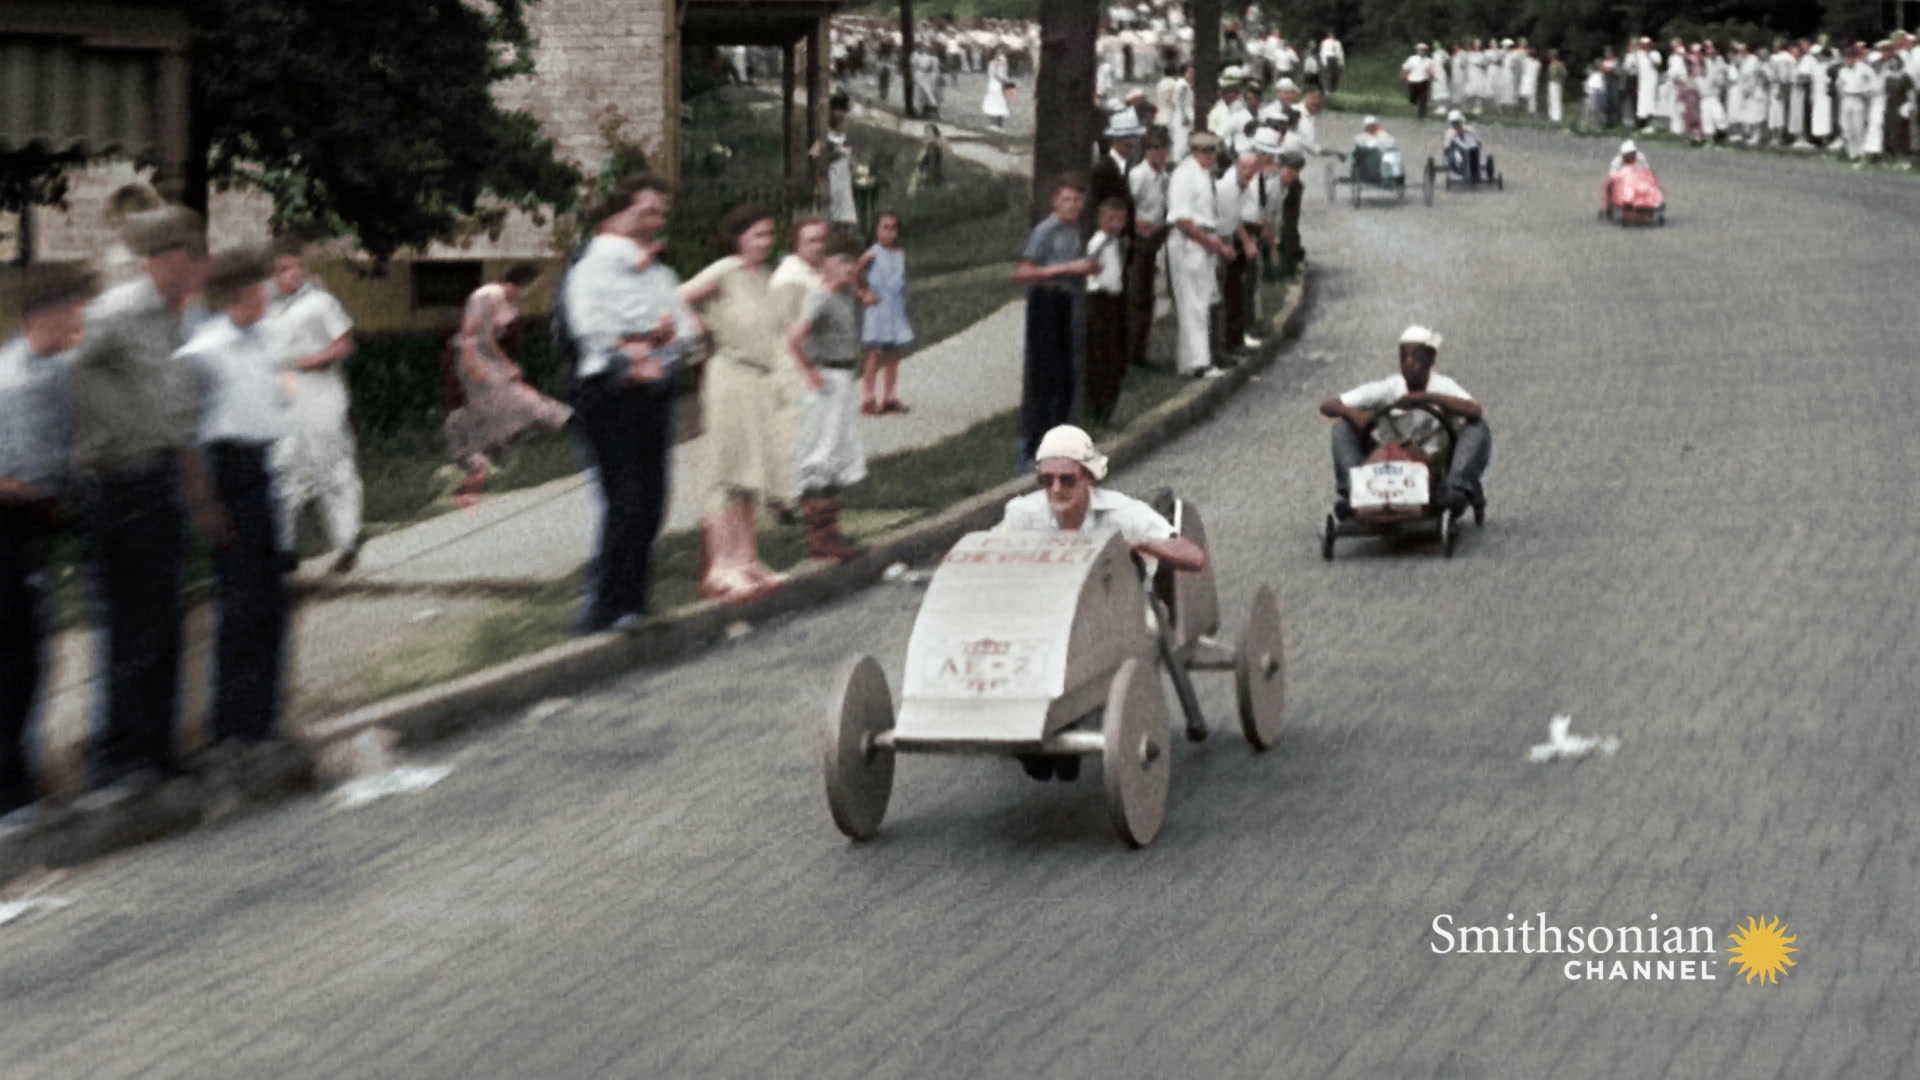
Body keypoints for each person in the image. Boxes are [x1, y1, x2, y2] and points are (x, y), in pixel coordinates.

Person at [68, 205, 224, 799]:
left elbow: (172, 413)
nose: (200, 268)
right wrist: (90, 449)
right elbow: (63, 369)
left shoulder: (170, 318)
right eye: (192, 257)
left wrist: (197, 493)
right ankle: (117, 760)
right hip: (117, 485)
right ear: (167, 259)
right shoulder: (115, 313)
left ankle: (159, 751)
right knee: (129, 626)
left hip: (159, 481)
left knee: (164, 623)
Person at [993, 424, 1207, 782]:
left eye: (1067, 480)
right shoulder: (1023, 514)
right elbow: (990, 555)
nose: (1057, 490)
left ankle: (1084, 725)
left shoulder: (1124, 513)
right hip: (1055, 610)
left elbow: (1193, 557)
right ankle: (1044, 731)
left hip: (1125, 609)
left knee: (1138, 636)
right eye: (1047, 481)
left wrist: (1143, 545)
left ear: (1088, 477)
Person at [565, 175, 695, 633]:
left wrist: (661, 344)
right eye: (646, 212)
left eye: (659, 212)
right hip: (610, 393)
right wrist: (635, 351)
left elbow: (683, 326)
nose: (655, 221)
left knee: (654, 498)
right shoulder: (592, 270)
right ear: (615, 215)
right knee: (625, 500)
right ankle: (602, 613)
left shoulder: (659, 273)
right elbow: (591, 330)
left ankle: (633, 604)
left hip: (654, 392)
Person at [180, 248, 292, 755]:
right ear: (238, 297)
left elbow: (276, 395)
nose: (267, 297)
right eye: (260, 291)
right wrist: (205, 504)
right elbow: (186, 437)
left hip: (263, 470)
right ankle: (233, 724)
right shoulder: (204, 351)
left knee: (271, 598)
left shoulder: (268, 338)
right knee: (240, 602)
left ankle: (265, 716)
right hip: (226, 473)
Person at [0, 266, 91, 827]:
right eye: (72, 319)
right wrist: (41, 498)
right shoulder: (10, 381)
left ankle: (24, 782)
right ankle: (9, 797)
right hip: (9, 530)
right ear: (45, 320)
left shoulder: (55, 373)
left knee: (34, 660)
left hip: (37, 527)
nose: (79, 327)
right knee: (11, 665)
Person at [680, 205, 804, 602]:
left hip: (758, 379)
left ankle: (747, 560)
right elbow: (676, 298)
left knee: (751, 470)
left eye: (769, 235)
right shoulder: (725, 270)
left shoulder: (765, 277)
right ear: (738, 237)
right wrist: (703, 327)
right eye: (756, 235)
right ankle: (721, 566)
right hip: (729, 376)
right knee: (727, 469)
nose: (764, 243)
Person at [1319, 325, 1490, 518]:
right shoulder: (1388, 388)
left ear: (1430, 359)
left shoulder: (1443, 386)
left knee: (1477, 427)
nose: (1409, 363)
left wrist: (1425, 398)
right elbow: (1328, 405)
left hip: (1431, 464)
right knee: (1341, 429)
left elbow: (1474, 410)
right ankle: (1356, 493)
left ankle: (1455, 488)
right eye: (1404, 358)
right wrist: (1353, 414)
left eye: (1416, 358)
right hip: (1388, 462)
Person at [267, 239, 363, 573]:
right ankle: (284, 547)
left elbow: (344, 346)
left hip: (319, 388)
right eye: (280, 270)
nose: (288, 275)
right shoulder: (268, 306)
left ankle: (347, 538)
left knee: (331, 461)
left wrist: (311, 361)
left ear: (302, 268)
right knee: (283, 464)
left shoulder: (320, 302)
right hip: (284, 390)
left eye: (293, 267)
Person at [444, 264, 572, 508]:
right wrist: (474, 363)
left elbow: (490, 339)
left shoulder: (502, 302)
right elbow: (471, 333)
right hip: (473, 362)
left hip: (486, 363)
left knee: (509, 403)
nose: (524, 296)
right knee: (508, 404)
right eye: (525, 290)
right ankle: (568, 419)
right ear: (514, 285)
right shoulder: (487, 296)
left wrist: (507, 366)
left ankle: (475, 472)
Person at [783, 232, 869, 562]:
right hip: (826, 377)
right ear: (828, 265)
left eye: (853, 264)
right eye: (843, 263)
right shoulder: (819, 297)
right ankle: (818, 537)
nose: (849, 270)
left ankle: (832, 531)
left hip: (845, 376)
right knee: (820, 451)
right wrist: (810, 374)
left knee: (838, 452)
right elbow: (794, 340)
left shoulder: (846, 295)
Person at [1013, 174, 1101, 469]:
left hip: (1065, 302)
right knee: (1044, 374)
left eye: (1077, 201)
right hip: (1045, 302)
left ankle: (1062, 441)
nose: (1073, 206)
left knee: (1064, 376)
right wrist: (1066, 268)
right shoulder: (1046, 231)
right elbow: (1023, 272)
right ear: (1055, 202)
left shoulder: (1073, 231)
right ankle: (1033, 444)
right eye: (1067, 200)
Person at [1166, 132, 1233, 378]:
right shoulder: (1186, 175)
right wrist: (1213, 245)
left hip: (1203, 240)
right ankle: (1199, 363)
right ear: (1201, 151)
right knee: (1194, 302)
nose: (1214, 157)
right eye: (1211, 152)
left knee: (1202, 300)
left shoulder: (1203, 174)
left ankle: (1189, 360)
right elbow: (1183, 220)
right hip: (1189, 242)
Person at [857, 211, 914, 414]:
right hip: (878, 309)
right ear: (876, 230)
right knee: (874, 355)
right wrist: (864, 292)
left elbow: (901, 280)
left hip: (895, 309)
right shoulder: (872, 253)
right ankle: (868, 398)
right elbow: (855, 272)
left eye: (893, 228)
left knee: (893, 355)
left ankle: (890, 397)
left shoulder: (899, 254)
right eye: (884, 228)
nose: (889, 233)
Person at [1125, 127, 1172, 370]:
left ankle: (1141, 349)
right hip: (1140, 240)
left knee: (1150, 297)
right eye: (1155, 149)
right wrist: (1137, 225)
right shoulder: (1138, 175)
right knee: (1138, 296)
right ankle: (1132, 352)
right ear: (1147, 150)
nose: (1161, 155)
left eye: (1164, 149)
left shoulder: (1164, 177)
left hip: (1157, 237)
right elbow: (1126, 208)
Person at [1083, 196, 1130, 425]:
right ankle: (1097, 406)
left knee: (1113, 353)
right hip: (1099, 299)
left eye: (1120, 219)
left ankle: (1107, 407)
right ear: (1100, 220)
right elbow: (1089, 263)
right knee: (1101, 353)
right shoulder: (1099, 242)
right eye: (1111, 218)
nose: (1115, 224)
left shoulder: (1114, 242)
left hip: (1114, 299)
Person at [1442, 110, 1486, 181]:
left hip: (1471, 153)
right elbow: (1446, 149)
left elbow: (1479, 143)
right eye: (1454, 124)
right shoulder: (1449, 133)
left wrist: (1476, 143)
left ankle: (1474, 173)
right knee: (1458, 155)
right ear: (1451, 124)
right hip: (1456, 155)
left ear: (1461, 122)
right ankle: (1465, 171)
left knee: (1473, 151)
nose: (1456, 126)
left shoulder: (1470, 130)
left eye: (1457, 123)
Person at [1401, 43, 1434, 120]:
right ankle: (1413, 111)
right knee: (1413, 100)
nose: (1423, 51)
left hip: (1423, 81)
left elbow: (1430, 71)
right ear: (1417, 50)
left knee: (1423, 99)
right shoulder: (1411, 59)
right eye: (1421, 50)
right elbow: (1405, 69)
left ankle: (1422, 116)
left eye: (1424, 50)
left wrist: (1431, 79)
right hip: (1413, 81)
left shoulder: (1429, 60)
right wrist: (1404, 78)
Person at [982, 49, 1012, 127]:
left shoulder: (994, 62)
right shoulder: (996, 62)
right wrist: (1004, 81)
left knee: (997, 101)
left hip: (994, 84)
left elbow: (999, 73)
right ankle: (995, 122)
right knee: (997, 101)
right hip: (995, 84)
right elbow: (996, 74)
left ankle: (996, 122)